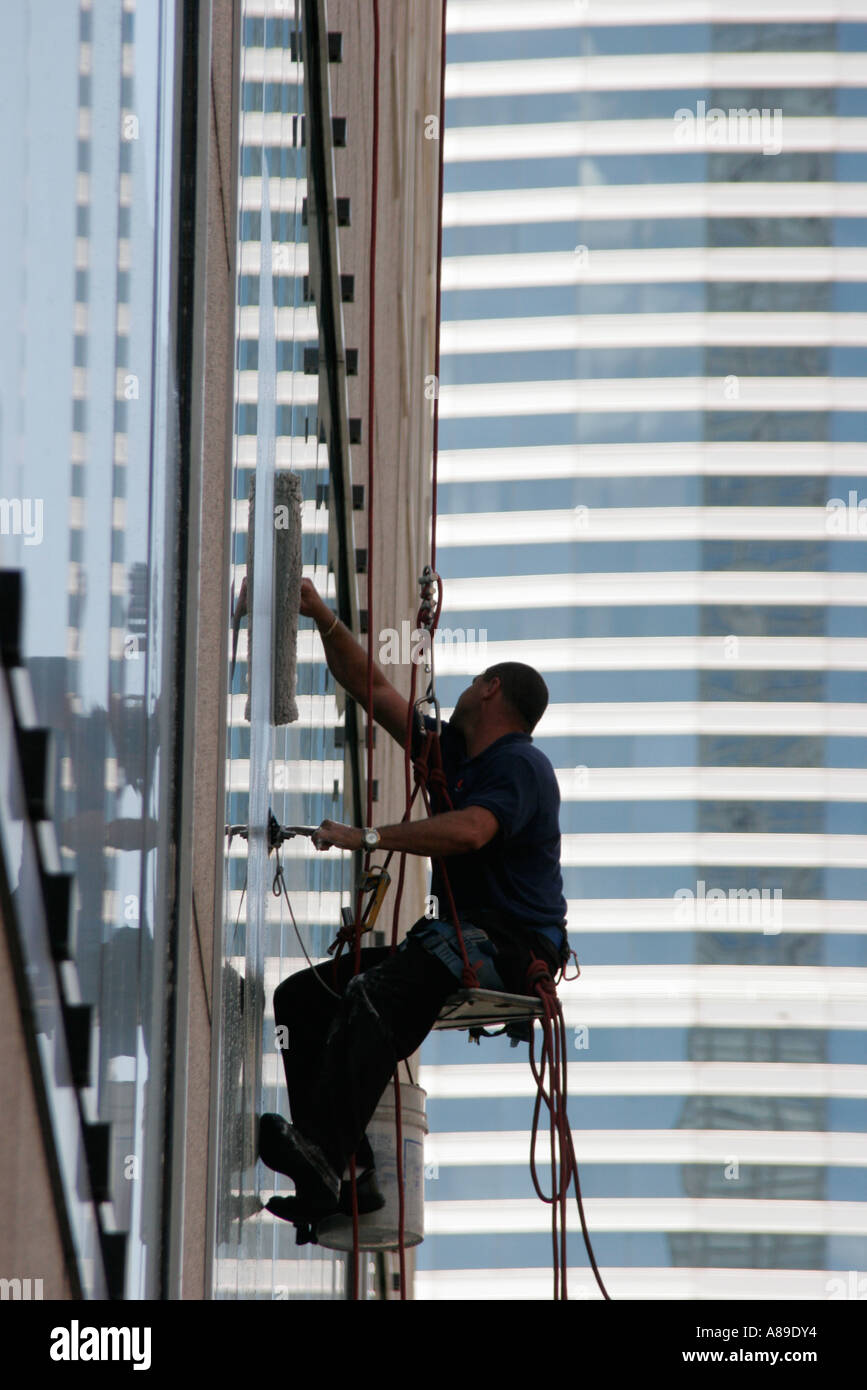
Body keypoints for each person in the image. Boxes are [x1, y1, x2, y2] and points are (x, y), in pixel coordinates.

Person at [258, 579, 568, 1224]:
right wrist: (322, 615)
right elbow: (371, 691)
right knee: (304, 1000)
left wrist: (369, 837)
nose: (459, 689)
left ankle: (320, 1150)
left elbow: (473, 831)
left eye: (472, 680)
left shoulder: (520, 765)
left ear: (489, 688)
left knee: (375, 995)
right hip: (458, 940)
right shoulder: (450, 753)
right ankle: (346, 1174)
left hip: (509, 944)